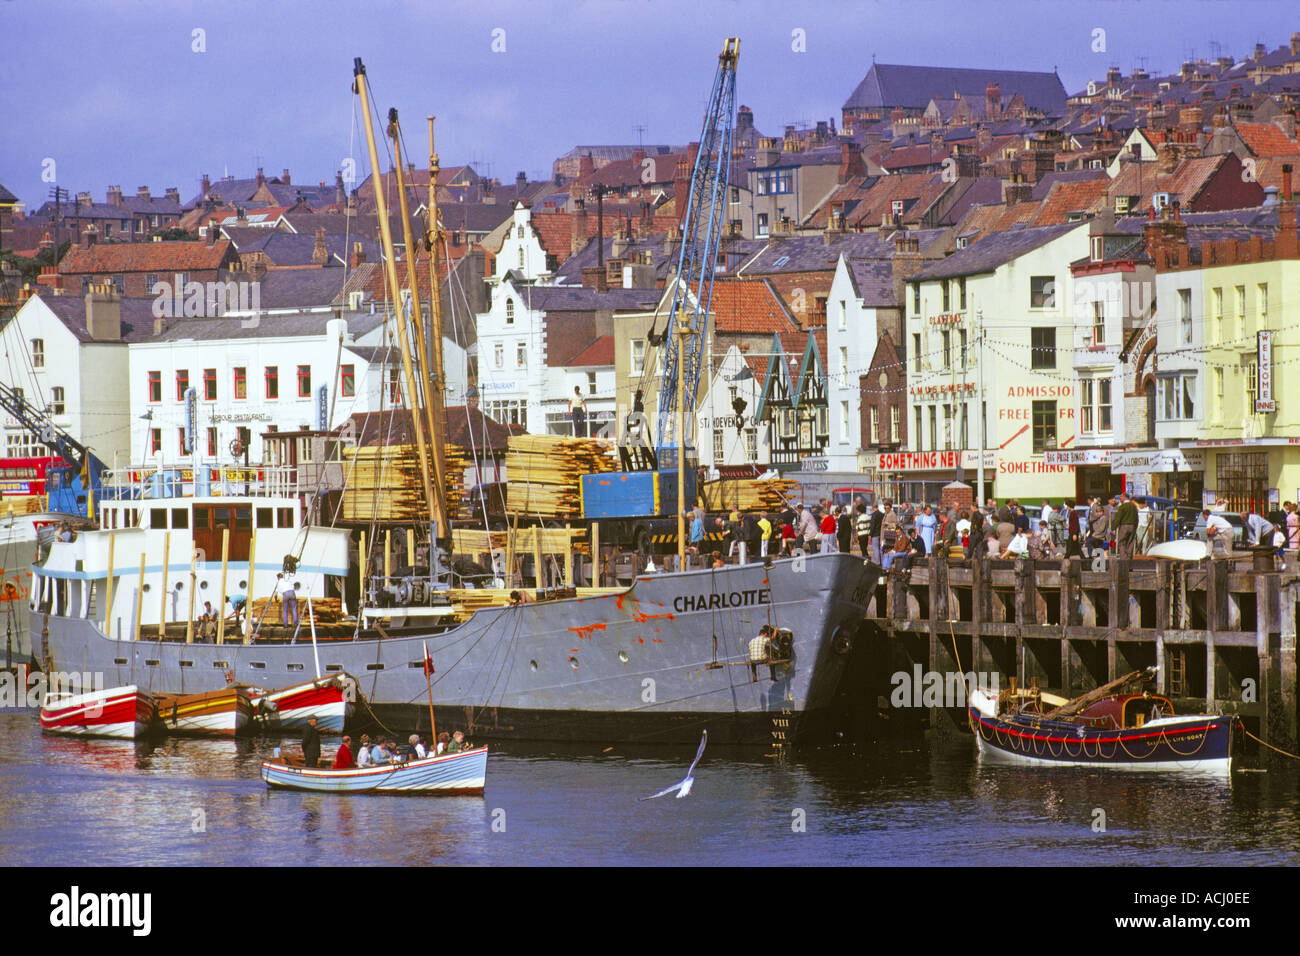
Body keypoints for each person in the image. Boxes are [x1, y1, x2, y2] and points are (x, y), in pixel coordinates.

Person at [1113, 493, 1139, 560]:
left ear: (1124, 497)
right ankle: (1129, 560)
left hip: (1124, 526)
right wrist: (1135, 526)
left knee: (1121, 542)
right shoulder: (1133, 506)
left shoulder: (1122, 506)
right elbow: (1136, 518)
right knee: (1130, 543)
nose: (1120, 498)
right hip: (1133, 526)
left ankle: (1123, 560)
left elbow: (1118, 518)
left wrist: (1114, 528)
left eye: (1121, 497)